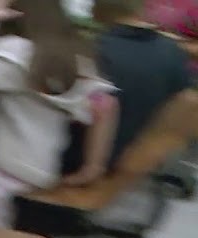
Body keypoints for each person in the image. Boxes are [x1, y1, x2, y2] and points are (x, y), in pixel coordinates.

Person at [0, 0, 112, 227]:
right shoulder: (72, 55)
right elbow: (104, 106)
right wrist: (93, 168)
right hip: (34, 170)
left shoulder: (21, 53)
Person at [62, 0, 192, 180]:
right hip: (136, 150)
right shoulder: (172, 50)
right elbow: (183, 101)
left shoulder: (96, 51)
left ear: (98, 9)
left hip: (83, 160)